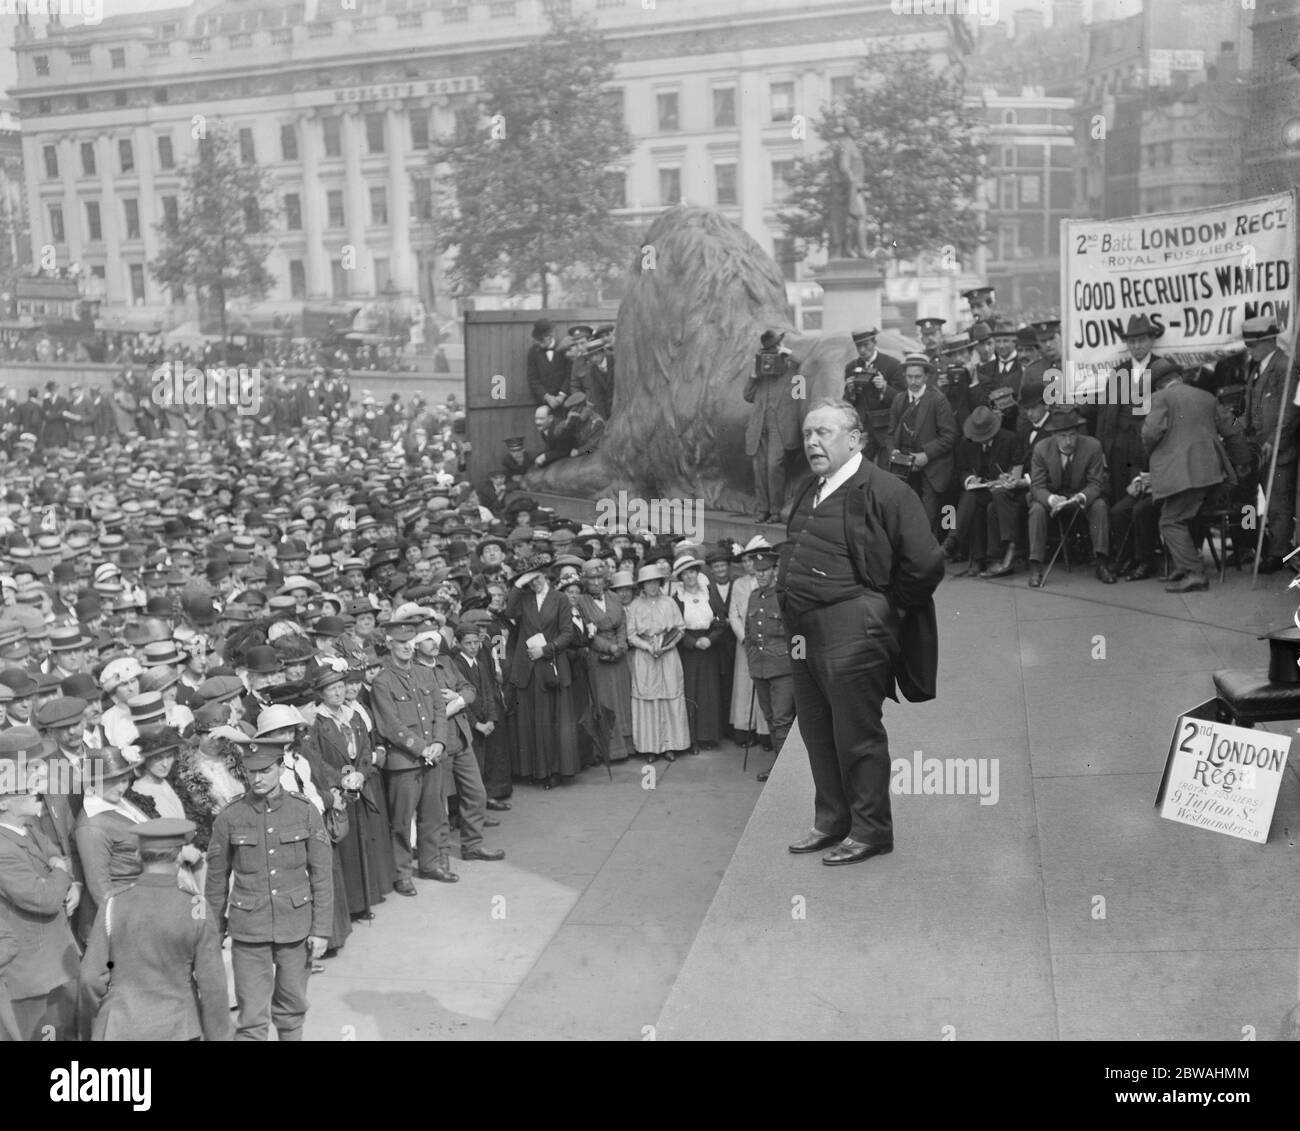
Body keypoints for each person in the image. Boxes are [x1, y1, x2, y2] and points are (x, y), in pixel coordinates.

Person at [780, 400, 943, 866]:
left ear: (855, 439)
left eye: (824, 433)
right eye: (808, 433)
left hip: (853, 630)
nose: (812, 442)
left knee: (856, 735)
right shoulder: (812, 487)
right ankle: (832, 821)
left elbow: (926, 563)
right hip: (804, 633)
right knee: (817, 732)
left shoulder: (887, 490)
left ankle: (871, 831)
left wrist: (883, 609)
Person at [204, 737, 333, 1042]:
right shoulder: (230, 816)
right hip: (250, 930)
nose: (257, 778)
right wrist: (213, 930)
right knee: (251, 1019)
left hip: (295, 926)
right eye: (251, 772)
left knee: (291, 1011)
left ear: (280, 767)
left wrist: (322, 929)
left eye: (265, 770)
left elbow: (322, 875)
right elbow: (215, 881)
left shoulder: (304, 811)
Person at [79, 818, 232, 1041]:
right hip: (178, 1027)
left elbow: (89, 978)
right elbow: (213, 985)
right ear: (179, 857)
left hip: (119, 1027)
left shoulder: (113, 903)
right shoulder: (195, 906)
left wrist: (94, 1024)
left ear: (138, 856)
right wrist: (217, 1036)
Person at [1142, 360, 1249, 592]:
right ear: (1178, 377)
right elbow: (1233, 430)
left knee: (1170, 521)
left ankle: (1194, 573)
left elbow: (1150, 433)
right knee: (1178, 515)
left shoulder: (1161, 399)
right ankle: (1184, 565)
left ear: (1158, 385)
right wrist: (1242, 462)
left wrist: (1156, 453)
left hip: (1184, 474)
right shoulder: (1207, 396)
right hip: (1212, 474)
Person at [0, 735, 80, 1041]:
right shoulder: (3, 848)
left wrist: (67, 879)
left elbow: (57, 857)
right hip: (31, 973)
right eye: (27, 788)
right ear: (4, 802)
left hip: (56, 959)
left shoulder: (28, 826)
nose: (39, 792)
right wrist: (61, 875)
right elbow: (44, 898)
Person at [369, 618, 452, 889]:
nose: (406, 647)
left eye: (410, 642)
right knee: (402, 821)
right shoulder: (383, 682)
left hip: (432, 756)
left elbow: (440, 710)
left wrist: (439, 742)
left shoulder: (424, 673)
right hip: (404, 762)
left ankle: (430, 864)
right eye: (400, 643)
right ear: (390, 645)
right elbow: (391, 725)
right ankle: (402, 874)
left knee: (434, 814)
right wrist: (422, 747)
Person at [505, 564, 579, 787]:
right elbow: (509, 612)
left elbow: (567, 633)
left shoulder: (560, 599)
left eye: (536, 578)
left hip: (551, 663)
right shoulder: (524, 598)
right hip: (528, 667)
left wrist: (545, 650)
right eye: (529, 581)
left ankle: (554, 771)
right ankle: (537, 771)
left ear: (545, 576)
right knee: (533, 721)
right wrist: (518, 585)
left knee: (552, 721)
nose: (534, 584)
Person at [1026, 407, 1115, 588]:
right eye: (1062, 436)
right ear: (1053, 435)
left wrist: (1081, 496)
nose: (1068, 441)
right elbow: (1037, 486)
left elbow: (1096, 483)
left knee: (1099, 506)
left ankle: (1101, 562)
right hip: (1053, 497)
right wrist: (1051, 499)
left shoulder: (1092, 446)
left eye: (1072, 435)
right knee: (1036, 509)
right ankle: (1036, 565)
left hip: (1080, 496)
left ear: (1078, 433)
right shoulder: (1041, 449)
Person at [1239, 317, 1299, 572]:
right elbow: (1251, 410)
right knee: (1251, 500)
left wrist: (1274, 442)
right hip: (1257, 446)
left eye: (1253, 345)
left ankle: (1279, 552)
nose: (1249, 350)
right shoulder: (1257, 368)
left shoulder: (1285, 366)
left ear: (1268, 341)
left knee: (1277, 503)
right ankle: (1253, 545)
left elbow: (1291, 412)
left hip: (1278, 450)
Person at [625, 562, 690, 762]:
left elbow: (680, 627)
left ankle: (670, 744)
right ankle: (650, 747)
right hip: (645, 656)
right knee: (648, 700)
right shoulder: (635, 606)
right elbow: (631, 634)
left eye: (655, 582)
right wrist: (647, 647)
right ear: (642, 586)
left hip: (667, 654)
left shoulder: (669, 602)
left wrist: (667, 646)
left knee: (670, 696)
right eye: (647, 583)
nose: (652, 586)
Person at [572, 560, 634, 763]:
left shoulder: (614, 597)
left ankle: (627, 747)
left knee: (622, 699)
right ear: (585, 581)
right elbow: (586, 632)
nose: (596, 582)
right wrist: (609, 648)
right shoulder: (581, 602)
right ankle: (605, 750)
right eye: (592, 579)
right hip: (597, 658)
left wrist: (621, 646)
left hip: (619, 657)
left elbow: (622, 624)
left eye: (600, 578)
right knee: (603, 702)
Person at [887, 353, 957, 532]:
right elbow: (890, 434)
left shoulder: (938, 400)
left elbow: (949, 436)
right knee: (901, 512)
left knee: (927, 516)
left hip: (931, 468)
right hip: (904, 468)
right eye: (910, 376)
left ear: (926, 376)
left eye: (918, 376)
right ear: (905, 376)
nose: (914, 381)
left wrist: (926, 455)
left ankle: (927, 554)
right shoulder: (899, 400)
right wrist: (893, 452)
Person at [947, 405, 1017, 575]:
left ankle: (954, 541)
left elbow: (1016, 466)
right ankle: (977, 558)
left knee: (980, 503)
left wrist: (1006, 476)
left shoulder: (1010, 440)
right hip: (980, 489)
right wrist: (970, 479)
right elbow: (961, 469)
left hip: (1002, 492)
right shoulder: (967, 442)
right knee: (971, 498)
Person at [743, 546, 793, 783]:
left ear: (775, 570)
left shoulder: (785, 596)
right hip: (760, 668)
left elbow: (798, 634)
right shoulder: (754, 596)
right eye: (757, 571)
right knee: (772, 718)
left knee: (783, 720)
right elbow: (748, 634)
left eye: (765, 570)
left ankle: (785, 773)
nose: (761, 575)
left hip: (783, 669)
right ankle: (779, 765)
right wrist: (753, 662)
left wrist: (798, 662)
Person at [744, 329, 804, 524]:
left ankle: (776, 510)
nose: (771, 354)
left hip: (780, 427)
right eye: (768, 350)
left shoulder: (793, 369)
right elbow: (747, 396)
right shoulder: (762, 371)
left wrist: (788, 354)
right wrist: (754, 375)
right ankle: (763, 509)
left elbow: (800, 391)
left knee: (773, 466)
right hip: (760, 425)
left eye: (774, 348)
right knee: (759, 467)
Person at [671, 553, 727, 752]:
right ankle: (693, 739)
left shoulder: (709, 595)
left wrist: (709, 639)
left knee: (709, 693)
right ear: (681, 578)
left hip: (709, 648)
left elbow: (721, 622)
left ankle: (709, 736)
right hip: (688, 651)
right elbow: (674, 628)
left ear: (697, 573)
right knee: (691, 692)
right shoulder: (677, 600)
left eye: (692, 572)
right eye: (685, 574)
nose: (690, 577)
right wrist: (693, 642)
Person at [843, 328, 905, 465]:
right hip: (863, 429)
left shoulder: (892, 364)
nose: (862, 350)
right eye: (859, 346)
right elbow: (847, 403)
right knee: (858, 467)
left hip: (886, 429)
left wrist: (884, 388)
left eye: (866, 345)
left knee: (886, 470)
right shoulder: (851, 367)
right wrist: (850, 391)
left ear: (875, 342)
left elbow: (903, 399)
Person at [525, 319, 570, 410]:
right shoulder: (533, 352)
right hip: (544, 404)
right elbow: (533, 379)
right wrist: (547, 397)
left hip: (566, 403)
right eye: (536, 339)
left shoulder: (564, 348)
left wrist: (561, 395)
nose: (538, 342)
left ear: (550, 335)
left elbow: (570, 374)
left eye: (541, 339)